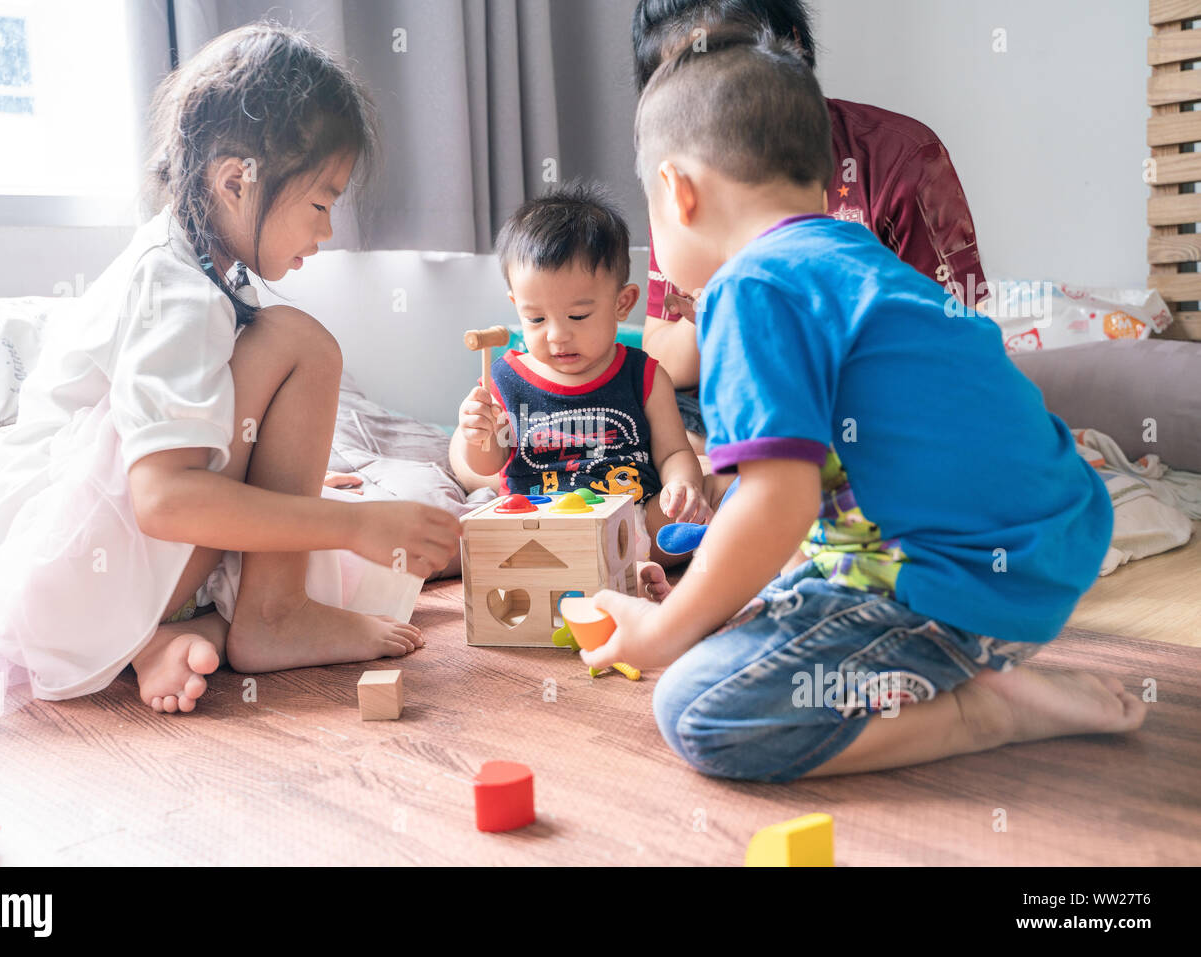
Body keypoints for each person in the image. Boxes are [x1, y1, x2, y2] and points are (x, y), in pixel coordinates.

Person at [579, 29, 1144, 782]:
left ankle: (985, 709)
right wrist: (712, 602)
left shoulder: (751, 288)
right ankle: (973, 664)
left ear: (677, 192)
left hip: (958, 584)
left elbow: (777, 504)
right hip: (1044, 552)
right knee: (746, 611)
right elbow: (808, 507)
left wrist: (666, 633)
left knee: (698, 707)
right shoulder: (854, 258)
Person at [0, 23, 460, 719]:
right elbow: (163, 499)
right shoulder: (177, 293)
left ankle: (169, 636)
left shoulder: (201, 266)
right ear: (234, 180)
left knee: (302, 441)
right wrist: (347, 525)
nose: (327, 232)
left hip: (92, 583)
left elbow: (207, 427)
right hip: (76, 579)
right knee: (302, 345)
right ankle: (263, 616)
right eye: (320, 203)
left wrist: (295, 473)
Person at [633, 0, 988, 455]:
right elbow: (661, 359)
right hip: (739, 403)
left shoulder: (902, 156)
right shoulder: (684, 177)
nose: (711, 112)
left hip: (870, 404)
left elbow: (955, 335)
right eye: (684, 88)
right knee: (647, 421)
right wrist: (714, 318)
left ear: (792, 50)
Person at [449, 183, 710, 566]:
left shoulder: (645, 375)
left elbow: (674, 451)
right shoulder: (505, 380)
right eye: (536, 319)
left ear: (623, 304)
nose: (557, 336)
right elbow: (488, 465)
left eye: (578, 316)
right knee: (468, 542)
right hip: (538, 531)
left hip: (635, 527)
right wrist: (477, 434)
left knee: (715, 502)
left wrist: (682, 484)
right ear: (516, 306)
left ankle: (646, 569)